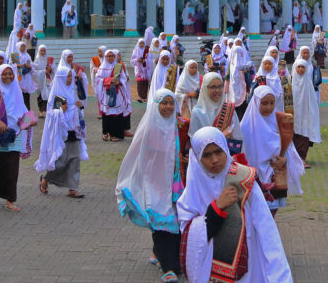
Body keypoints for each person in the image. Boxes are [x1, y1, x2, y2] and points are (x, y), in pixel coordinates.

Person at [177, 126, 293, 283]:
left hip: (248, 262)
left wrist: (279, 275)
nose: (215, 160)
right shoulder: (191, 192)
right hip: (210, 268)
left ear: (226, 149)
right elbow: (188, 235)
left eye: (218, 152)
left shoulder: (243, 178)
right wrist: (216, 209)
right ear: (197, 158)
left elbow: (266, 228)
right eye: (206, 155)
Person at [116, 88, 184, 283]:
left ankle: (160, 256)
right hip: (153, 184)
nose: (168, 107)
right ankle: (169, 267)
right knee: (162, 224)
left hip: (172, 184)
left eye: (171, 103)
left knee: (174, 222)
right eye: (164, 103)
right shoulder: (149, 128)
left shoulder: (175, 126)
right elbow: (137, 156)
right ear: (156, 105)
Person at [240, 86, 303, 215]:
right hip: (253, 179)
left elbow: (289, 148)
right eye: (264, 103)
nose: (269, 107)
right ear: (256, 103)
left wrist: (284, 160)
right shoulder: (245, 127)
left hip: (274, 176)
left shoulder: (280, 122)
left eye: (272, 103)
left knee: (271, 212)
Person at [0, 63, 32, 212]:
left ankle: (10, 200)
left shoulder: (16, 90)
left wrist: (28, 122)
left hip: (15, 133)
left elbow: (24, 111)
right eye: (4, 74)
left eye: (10, 73)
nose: (8, 76)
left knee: (12, 168)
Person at [35, 66, 88, 198]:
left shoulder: (71, 91)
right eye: (68, 77)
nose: (71, 79)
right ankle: (45, 180)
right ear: (62, 78)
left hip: (74, 130)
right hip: (61, 133)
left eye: (71, 76)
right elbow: (51, 116)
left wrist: (79, 107)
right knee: (60, 161)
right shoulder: (55, 95)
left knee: (75, 159)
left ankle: (73, 188)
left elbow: (75, 110)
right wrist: (61, 111)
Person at [190, 72, 243, 147]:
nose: (217, 90)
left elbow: (238, 138)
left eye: (220, 86)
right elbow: (195, 142)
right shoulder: (197, 113)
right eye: (213, 87)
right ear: (205, 88)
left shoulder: (229, 109)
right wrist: (221, 137)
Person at [95, 49, 131, 141]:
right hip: (107, 94)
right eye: (109, 56)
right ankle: (106, 133)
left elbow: (123, 78)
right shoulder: (102, 68)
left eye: (112, 56)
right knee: (107, 114)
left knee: (116, 114)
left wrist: (119, 82)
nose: (111, 58)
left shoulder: (118, 67)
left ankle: (115, 134)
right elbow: (98, 80)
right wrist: (109, 80)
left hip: (117, 93)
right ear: (105, 57)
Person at [291, 58, 321, 166]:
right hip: (293, 114)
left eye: (303, 67)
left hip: (305, 115)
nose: (300, 69)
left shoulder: (308, 83)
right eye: (298, 67)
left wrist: (312, 115)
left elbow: (312, 102)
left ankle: (302, 158)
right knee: (292, 135)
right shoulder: (290, 83)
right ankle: (293, 158)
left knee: (304, 136)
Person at [32, 45, 53, 116]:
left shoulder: (48, 60)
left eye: (44, 51)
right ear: (39, 51)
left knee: (48, 94)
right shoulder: (36, 60)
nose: (43, 52)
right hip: (40, 80)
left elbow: (53, 70)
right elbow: (34, 72)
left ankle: (47, 110)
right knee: (40, 96)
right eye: (41, 51)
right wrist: (44, 71)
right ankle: (41, 110)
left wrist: (50, 70)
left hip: (47, 80)